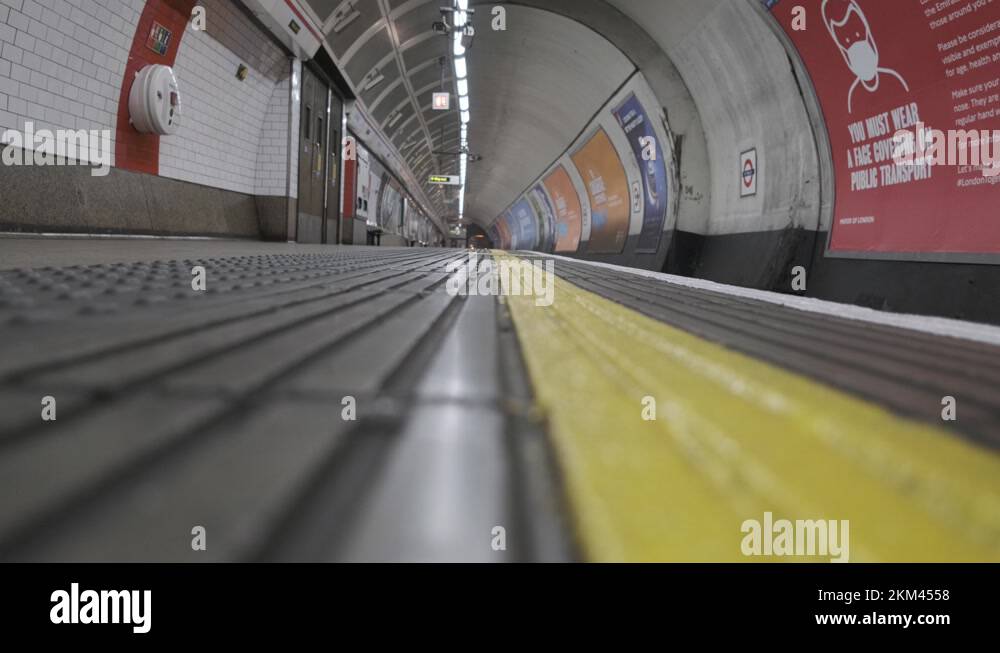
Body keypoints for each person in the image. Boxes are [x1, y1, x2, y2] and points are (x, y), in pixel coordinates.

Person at [822, 0, 909, 114]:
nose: (857, 47)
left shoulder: (893, 80)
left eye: (859, 35)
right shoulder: (854, 99)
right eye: (847, 41)